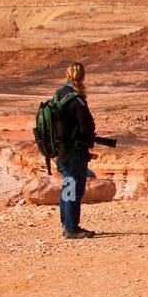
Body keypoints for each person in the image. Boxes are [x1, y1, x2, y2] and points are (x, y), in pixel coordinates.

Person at [55, 62, 97, 239]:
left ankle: (67, 222)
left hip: (62, 149)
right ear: (83, 77)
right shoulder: (76, 99)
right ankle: (72, 227)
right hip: (75, 150)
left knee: (67, 185)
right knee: (73, 187)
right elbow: (88, 126)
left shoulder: (60, 94)